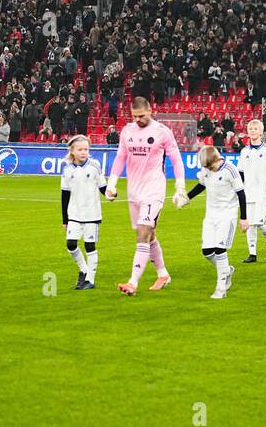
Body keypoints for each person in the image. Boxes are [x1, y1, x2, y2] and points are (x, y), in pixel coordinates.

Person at [105, 96, 187, 295]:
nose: (138, 120)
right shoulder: (127, 131)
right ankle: (163, 274)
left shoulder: (162, 132)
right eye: (134, 116)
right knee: (149, 236)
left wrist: (180, 188)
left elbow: (176, 160)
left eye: (141, 116)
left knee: (142, 232)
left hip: (154, 191)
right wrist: (111, 184)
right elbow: (120, 157)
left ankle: (133, 282)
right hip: (134, 192)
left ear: (150, 110)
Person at [184, 145, 246, 299]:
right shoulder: (207, 169)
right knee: (207, 252)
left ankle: (221, 287)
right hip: (211, 215)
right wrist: (187, 197)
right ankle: (227, 270)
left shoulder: (230, 170)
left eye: (211, 166)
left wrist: (243, 218)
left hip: (227, 214)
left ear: (218, 159)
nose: (210, 170)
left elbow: (241, 194)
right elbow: (201, 185)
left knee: (220, 249)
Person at [60, 135, 106, 290]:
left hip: (92, 214)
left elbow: (102, 186)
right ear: (72, 151)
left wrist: (109, 194)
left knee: (89, 246)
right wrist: (65, 219)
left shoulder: (95, 165)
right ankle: (84, 270)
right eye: (80, 149)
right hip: (74, 214)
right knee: (70, 244)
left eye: (86, 149)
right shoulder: (67, 169)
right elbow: (64, 195)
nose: (84, 152)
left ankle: (90, 280)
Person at [237, 119, 266, 263]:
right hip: (248, 192)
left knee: (259, 221)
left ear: (261, 132)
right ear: (247, 132)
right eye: (250, 129)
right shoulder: (244, 152)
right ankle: (252, 254)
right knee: (250, 223)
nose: (253, 131)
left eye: (255, 129)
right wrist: (238, 190)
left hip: (263, 191)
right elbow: (240, 173)